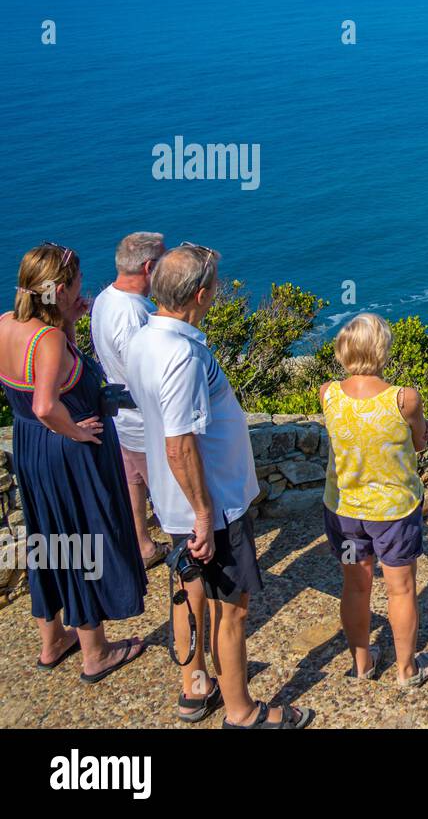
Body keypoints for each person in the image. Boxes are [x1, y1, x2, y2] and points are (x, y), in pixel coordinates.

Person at [126, 243, 313, 728]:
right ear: (202, 294)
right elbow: (179, 443)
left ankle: (195, 690)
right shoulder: (183, 355)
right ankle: (242, 711)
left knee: (190, 596)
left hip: (175, 503)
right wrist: (206, 516)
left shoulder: (144, 339)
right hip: (213, 507)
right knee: (231, 612)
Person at [0, 243, 146, 682]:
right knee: (83, 541)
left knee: (49, 540)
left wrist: (70, 322)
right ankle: (95, 653)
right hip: (66, 453)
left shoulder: (7, 324)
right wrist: (79, 432)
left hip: (30, 448)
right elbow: (47, 404)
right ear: (61, 288)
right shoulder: (46, 341)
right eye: (78, 283)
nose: (84, 288)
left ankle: (53, 640)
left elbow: (55, 376)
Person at [319, 313, 428, 687]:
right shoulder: (404, 399)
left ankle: (362, 662)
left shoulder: (327, 394)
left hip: (345, 512)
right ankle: (406, 670)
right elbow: (420, 442)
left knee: (356, 586)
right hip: (394, 513)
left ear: (344, 350)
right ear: (382, 350)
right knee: (400, 589)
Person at [90, 231, 168, 568]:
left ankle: (142, 546)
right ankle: (190, 560)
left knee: (132, 481)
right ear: (149, 267)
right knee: (170, 496)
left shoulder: (106, 299)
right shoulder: (135, 314)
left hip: (120, 418)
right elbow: (148, 373)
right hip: (144, 422)